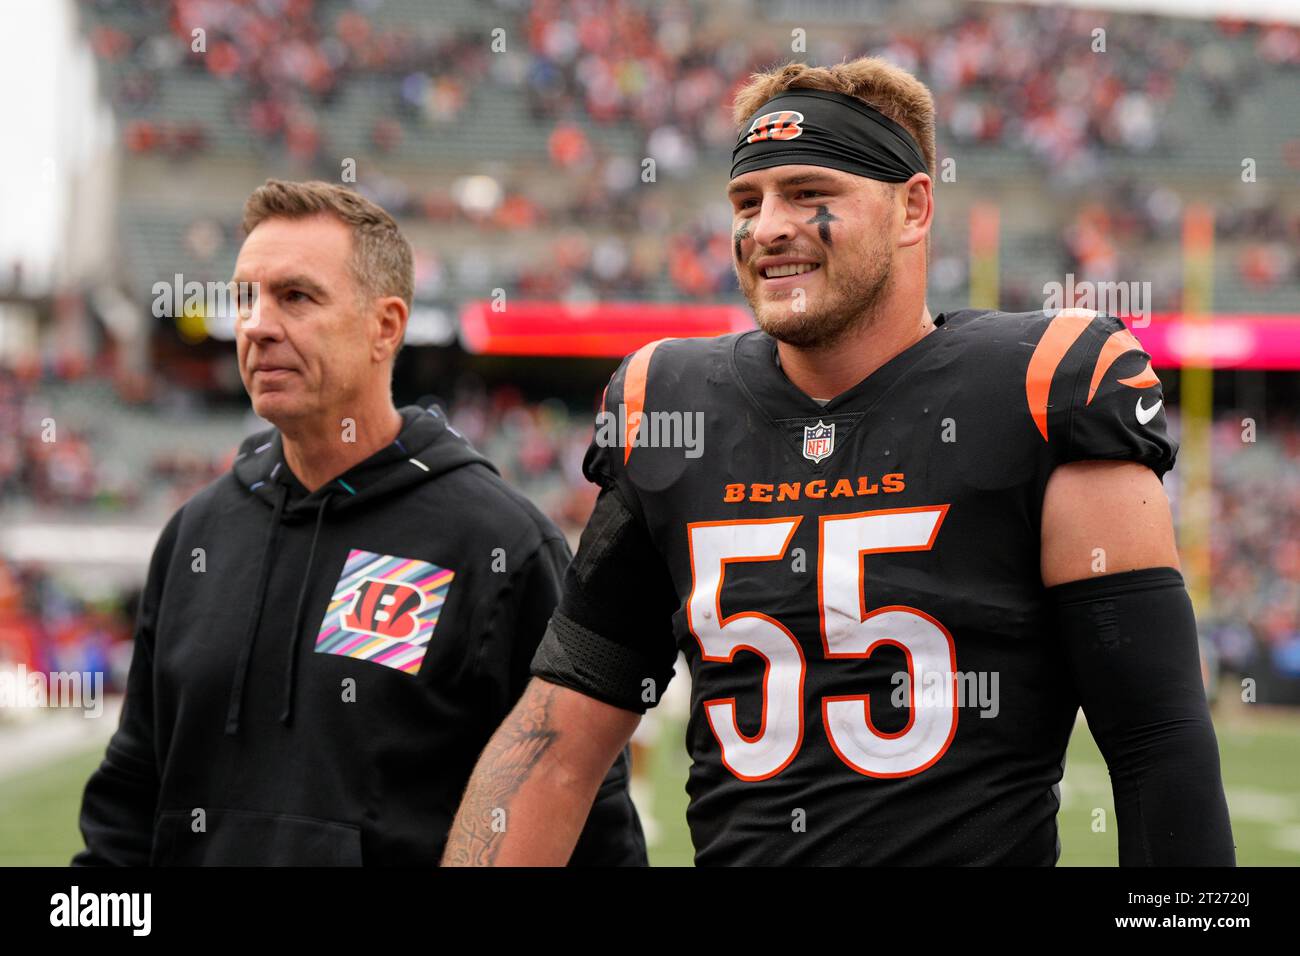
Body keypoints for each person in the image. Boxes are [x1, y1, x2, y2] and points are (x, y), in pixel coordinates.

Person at [444, 58, 1236, 866]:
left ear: (913, 207)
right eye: (746, 202)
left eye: (808, 193)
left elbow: (1157, 744)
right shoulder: (668, 405)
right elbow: (554, 742)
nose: (767, 227)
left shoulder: (1042, 385)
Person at [74, 179, 645, 866]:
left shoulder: (498, 544)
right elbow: (130, 799)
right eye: (245, 298)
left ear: (386, 326)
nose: (256, 325)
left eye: (297, 297)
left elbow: (583, 813)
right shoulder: (196, 535)